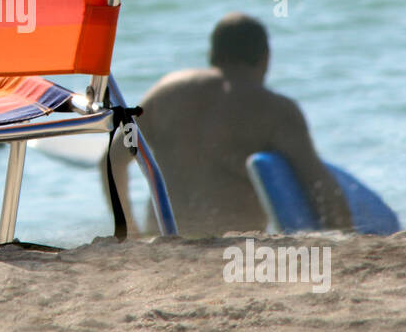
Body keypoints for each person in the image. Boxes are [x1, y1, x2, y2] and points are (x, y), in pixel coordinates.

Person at [127, 13, 351, 236]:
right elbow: (319, 186)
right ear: (266, 58)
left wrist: (131, 230)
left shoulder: (166, 91)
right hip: (234, 245)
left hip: (164, 240)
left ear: (211, 54)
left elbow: (112, 161)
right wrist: (345, 234)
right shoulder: (275, 109)